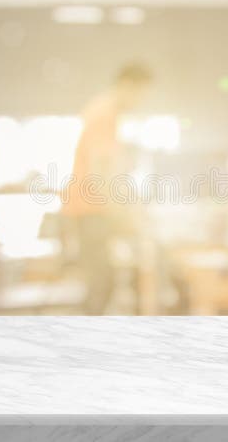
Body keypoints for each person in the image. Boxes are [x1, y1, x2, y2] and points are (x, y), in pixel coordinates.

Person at [64, 62, 153, 314]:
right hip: (91, 210)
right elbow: (100, 169)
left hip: (92, 209)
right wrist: (121, 212)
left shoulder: (102, 110)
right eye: (141, 94)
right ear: (128, 85)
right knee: (102, 284)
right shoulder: (105, 114)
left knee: (105, 282)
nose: (141, 101)